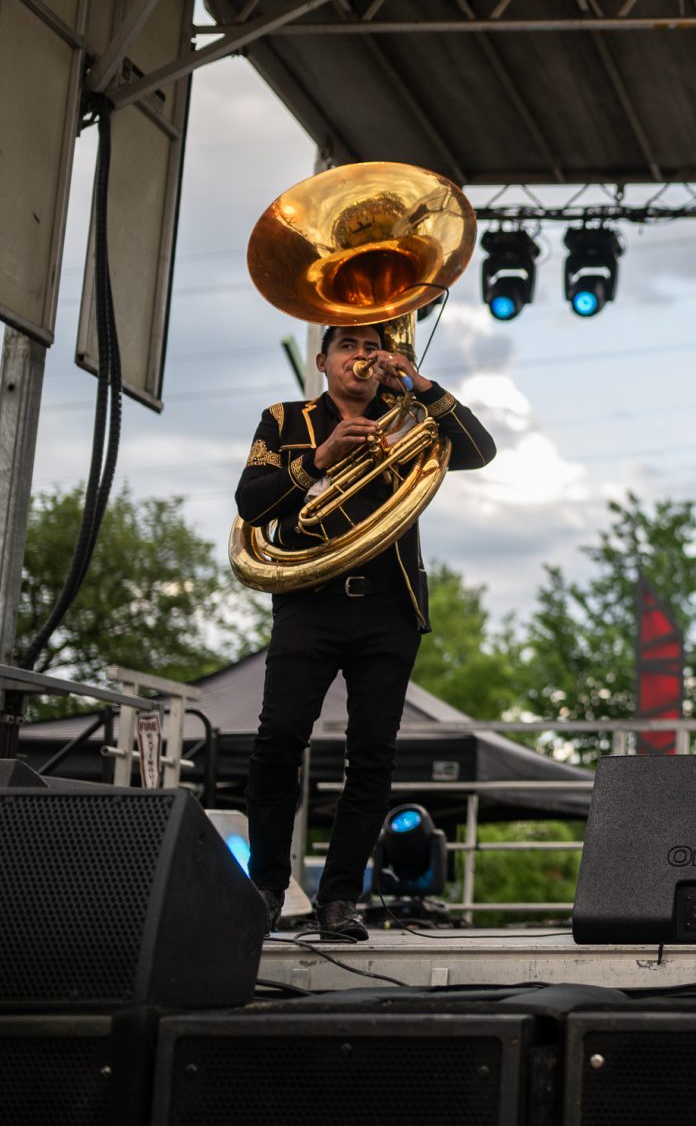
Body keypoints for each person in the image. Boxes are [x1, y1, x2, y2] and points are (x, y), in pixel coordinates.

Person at [236, 322, 495, 939]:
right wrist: (321, 459)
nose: (360, 355)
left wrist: (422, 383)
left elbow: (480, 450)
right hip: (309, 601)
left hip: (389, 606)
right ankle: (266, 889)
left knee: (372, 756)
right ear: (323, 361)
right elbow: (252, 502)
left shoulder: (408, 416)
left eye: (371, 345)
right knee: (278, 742)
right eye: (347, 346)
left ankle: (340, 900)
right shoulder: (284, 419)